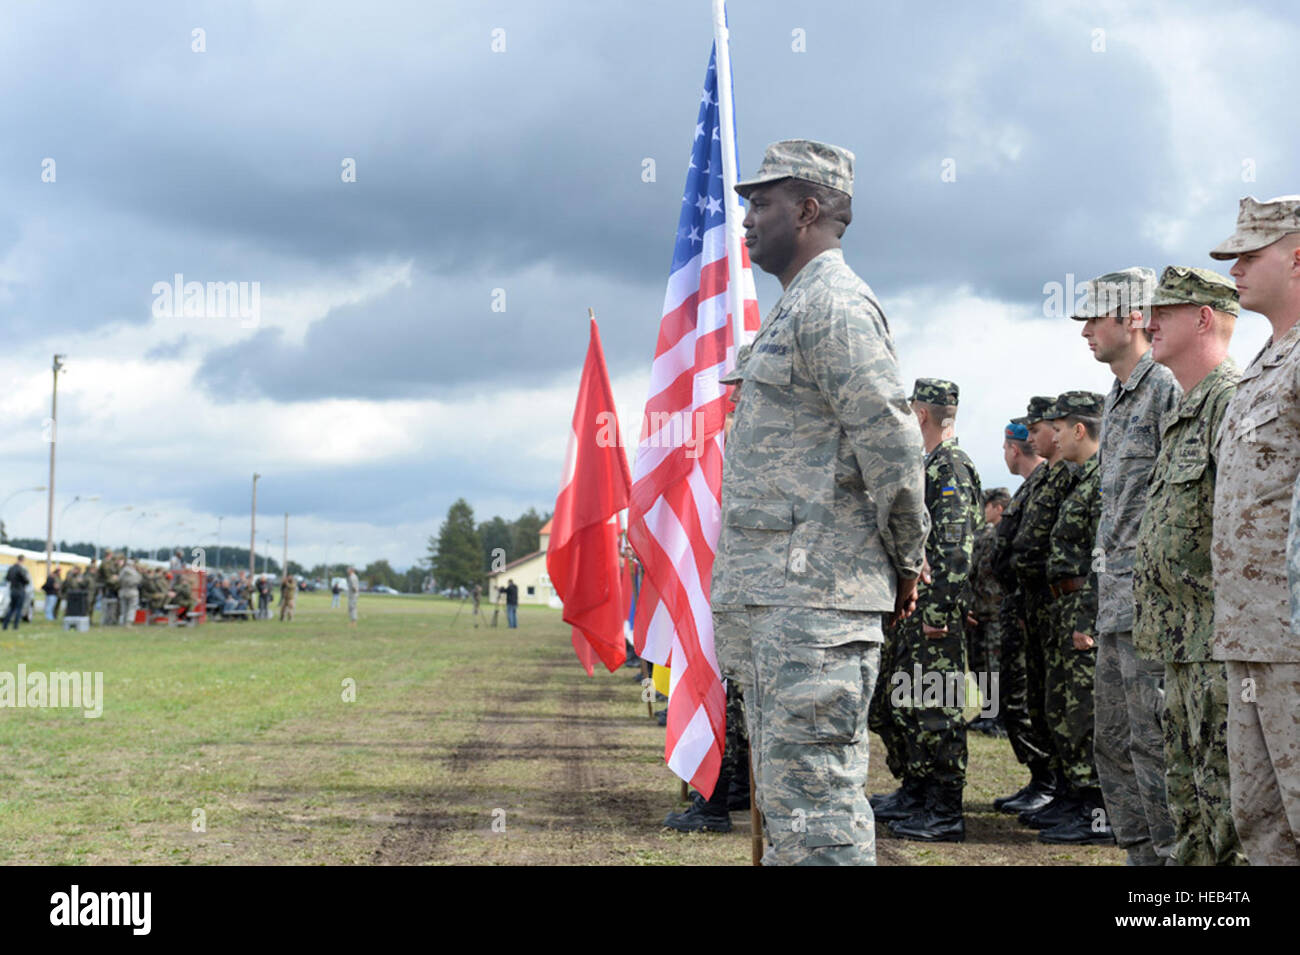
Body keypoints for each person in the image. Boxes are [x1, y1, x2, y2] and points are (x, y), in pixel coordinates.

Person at [711, 139, 928, 865]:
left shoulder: (834, 305)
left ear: (808, 210)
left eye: (761, 203)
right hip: (782, 604)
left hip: (818, 606)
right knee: (789, 807)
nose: (747, 219)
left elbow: (892, 444)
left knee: (817, 816)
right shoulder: (795, 307)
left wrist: (908, 557)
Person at [1133, 265, 1246, 866]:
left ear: (1204, 318)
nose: (1148, 323)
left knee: (1228, 808)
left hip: (1220, 649)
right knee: (1191, 806)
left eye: (1165, 312)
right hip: (1181, 645)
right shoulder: (1186, 411)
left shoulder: (1232, 402)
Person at [1075, 267, 1180, 865]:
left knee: (1154, 743)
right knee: (1112, 743)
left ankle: (1173, 870)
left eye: (1095, 318)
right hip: (1115, 601)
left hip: (1154, 604)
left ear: (1133, 317)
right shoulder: (1114, 400)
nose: (1086, 330)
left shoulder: (1166, 385)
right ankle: (1142, 860)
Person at [1209, 195, 1300, 864]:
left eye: (1249, 254)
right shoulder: (1264, 366)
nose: (1234, 267)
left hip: (1292, 636)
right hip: (1248, 634)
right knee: (1259, 822)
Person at [883, 379, 982, 844]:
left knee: (938, 708)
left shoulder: (950, 467)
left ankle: (944, 811)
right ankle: (918, 792)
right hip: (920, 612)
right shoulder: (931, 465)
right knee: (913, 705)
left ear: (920, 414)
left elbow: (957, 549)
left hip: (935, 616)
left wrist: (938, 613)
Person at [1038, 391, 1111, 844]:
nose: (1054, 436)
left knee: (1086, 713)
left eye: (1060, 429)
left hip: (1085, 610)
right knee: (1065, 710)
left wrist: (1089, 618)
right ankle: (1075, 797)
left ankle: (1097, 813)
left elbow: (1103, 557)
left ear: (1080, 430)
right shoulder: (1080, 480)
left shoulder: (1103, 480)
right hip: (1067, 608)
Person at [1008, 395, 1080, 829]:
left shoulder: (1074, 476)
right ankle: (1053, 786)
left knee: (1066, 708)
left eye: (1042, 428)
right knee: (1044, 703)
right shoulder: (1047, 478)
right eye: (1035, 430)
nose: (1037, 437)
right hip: (1036, 603)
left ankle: (1072, 794)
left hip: (1062, 604)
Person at [990, 418, 1057, 814]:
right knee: (1018, 699)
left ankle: (1048, 782)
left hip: (1035, 609)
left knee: (1026, 699)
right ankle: (1040, 780)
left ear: (1014, 450)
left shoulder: (1046, 484)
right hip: (1018, 606)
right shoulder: (1031, 488)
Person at [968, 487, 1010, 736]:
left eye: (986, 506)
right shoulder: (982, 534)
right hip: (980, 610)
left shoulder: (1001, 535)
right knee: (979, 665)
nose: (982, 512)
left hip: (997, 612)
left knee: (995, 666)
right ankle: (988, 710)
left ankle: (1000, 717)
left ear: (998, 508)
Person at [3, 555, 31, 630]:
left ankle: (5, 625)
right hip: (20, 590)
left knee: (11, 608)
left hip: (13, 590)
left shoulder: (11, 568)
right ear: (22, 560)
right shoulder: (21, 569)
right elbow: (26, 581)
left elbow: (7, 578)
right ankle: (15, 626)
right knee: (19, 609)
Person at [118, 560, 142, 627]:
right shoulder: (134, 572)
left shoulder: (122, 572)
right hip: (133, 591)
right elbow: (139, 580)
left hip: (123, 590)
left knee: (124, 608)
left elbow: (118, 580)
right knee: (132, 607)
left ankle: (123, 621)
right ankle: (129, 622)